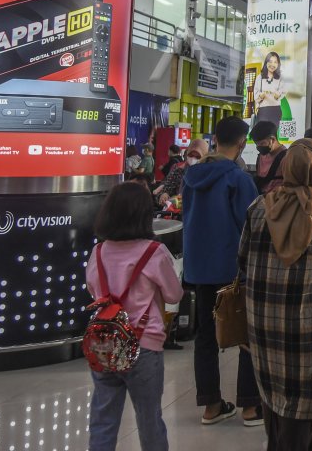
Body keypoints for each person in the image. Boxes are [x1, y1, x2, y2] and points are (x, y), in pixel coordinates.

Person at [239, 139, 312, 451]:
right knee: (311, 393)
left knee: (275, 392)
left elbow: (241, 260)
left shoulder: (258, 209)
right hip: (310, 324)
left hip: (263, 324)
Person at [86, 183, 183, 451]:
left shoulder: (98, 252)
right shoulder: (154, 252)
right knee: (149, 418)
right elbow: (174, 295)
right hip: (144, 345)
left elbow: (93, 289)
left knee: (103, 417)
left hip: (105, 343)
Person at [181, 116, 262, 427]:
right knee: (245, 333)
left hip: (200, 269)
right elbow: (249, 226)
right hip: (232, 269)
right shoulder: (238, 179)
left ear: (214, 138)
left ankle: (212, 405)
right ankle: (251, 407)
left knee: (205, 337)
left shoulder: (191, 177)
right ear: (242, 143)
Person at [153, 138, 206, 207]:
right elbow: (164, 190)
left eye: (198, 156)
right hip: (177, 214)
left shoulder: (208, 175)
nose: (193, 159)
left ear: (204, 157)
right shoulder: (179, 171)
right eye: (191, 155)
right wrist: (163, 195)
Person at [251, 121, 288, 192]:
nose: (259, 147)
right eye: (257, 144)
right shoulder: (260, 157)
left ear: (272, 139)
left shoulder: (286, 157)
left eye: (262, 143)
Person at [253, 51, 287, 126]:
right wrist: (260, 96)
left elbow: (283, 91)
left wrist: (278, 95)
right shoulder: (260, 77)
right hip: (263, 110)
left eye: (275, 62)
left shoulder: (281, 77)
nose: (272, 64)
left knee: (272, 133)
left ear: (278, 64)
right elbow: (255, 93)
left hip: (275, 109)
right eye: (270, 61)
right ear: (266, 62)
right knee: (262, 134)